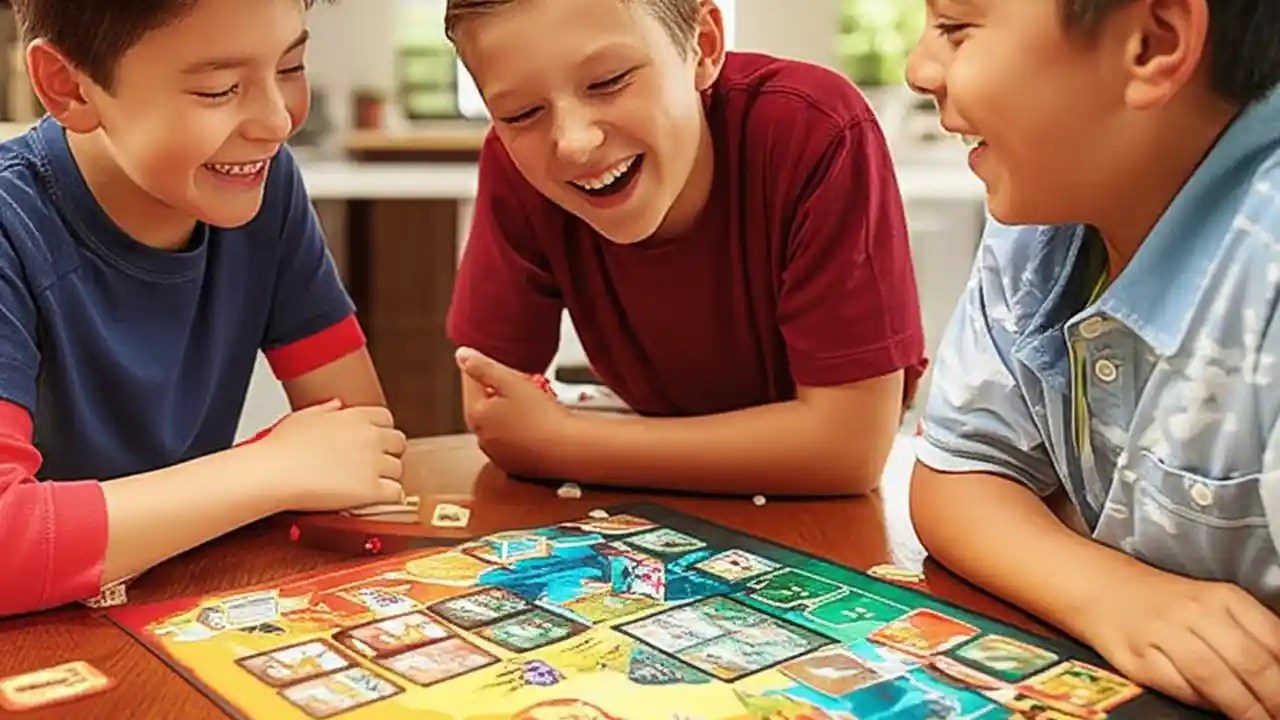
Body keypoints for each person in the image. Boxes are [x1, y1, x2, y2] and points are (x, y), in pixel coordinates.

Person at [906, 0, 1280, 717]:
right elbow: (961, 472)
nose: (917, 68)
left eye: (955, 28)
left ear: (1152, 42)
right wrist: (1112, 594)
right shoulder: (1048, 203)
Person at [0, 0, 408, 617]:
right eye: (219, 90)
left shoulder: (261, 187)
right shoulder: (13, 227)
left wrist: (291, 467)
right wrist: (270, 470)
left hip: (164, 607)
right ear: (70, 87)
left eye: (291, 65)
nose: (276, 121)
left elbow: (358, 439)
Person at [443, 0, 927, 496]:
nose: (573, 144)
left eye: (609, 81)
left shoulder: (816, 130)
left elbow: (847, 451)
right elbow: (497, 411)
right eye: (521, 113)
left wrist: (564, 443)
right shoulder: (516, 167)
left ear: (704, 47)